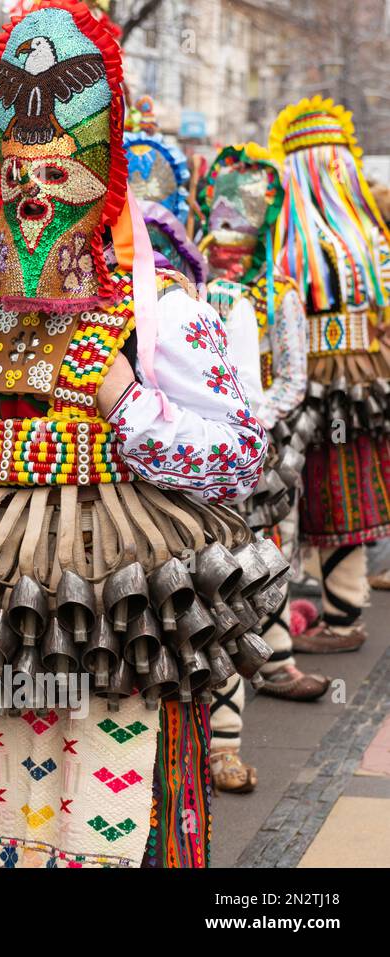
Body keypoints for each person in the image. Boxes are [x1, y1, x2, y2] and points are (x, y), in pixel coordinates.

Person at [0, 0, 275, 869]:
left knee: (111, 816)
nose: (36, 197)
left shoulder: (164, 315)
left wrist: (124, 399)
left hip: (117, 614)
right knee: (6, 808)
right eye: (18, 176)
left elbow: (239, 457)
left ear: (98, 177)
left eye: (58, 176)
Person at [193, 143, 324, 796]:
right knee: (202, 596)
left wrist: (252, 425)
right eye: (223, 210)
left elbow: (294, 378)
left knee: (251, 589)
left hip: (260, 464)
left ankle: (229, 737)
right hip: (191, 466)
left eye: (246, 212)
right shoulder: (181, 285)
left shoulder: (279, 295)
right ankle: (207, 735)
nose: (231, 228)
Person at [272, 97, 390, 654]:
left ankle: (342, 615)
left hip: (324, 380)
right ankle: (338, 604)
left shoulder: (296, 236)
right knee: (342, 483)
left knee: (334, 486)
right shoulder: (360, 230)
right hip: (359, 375)